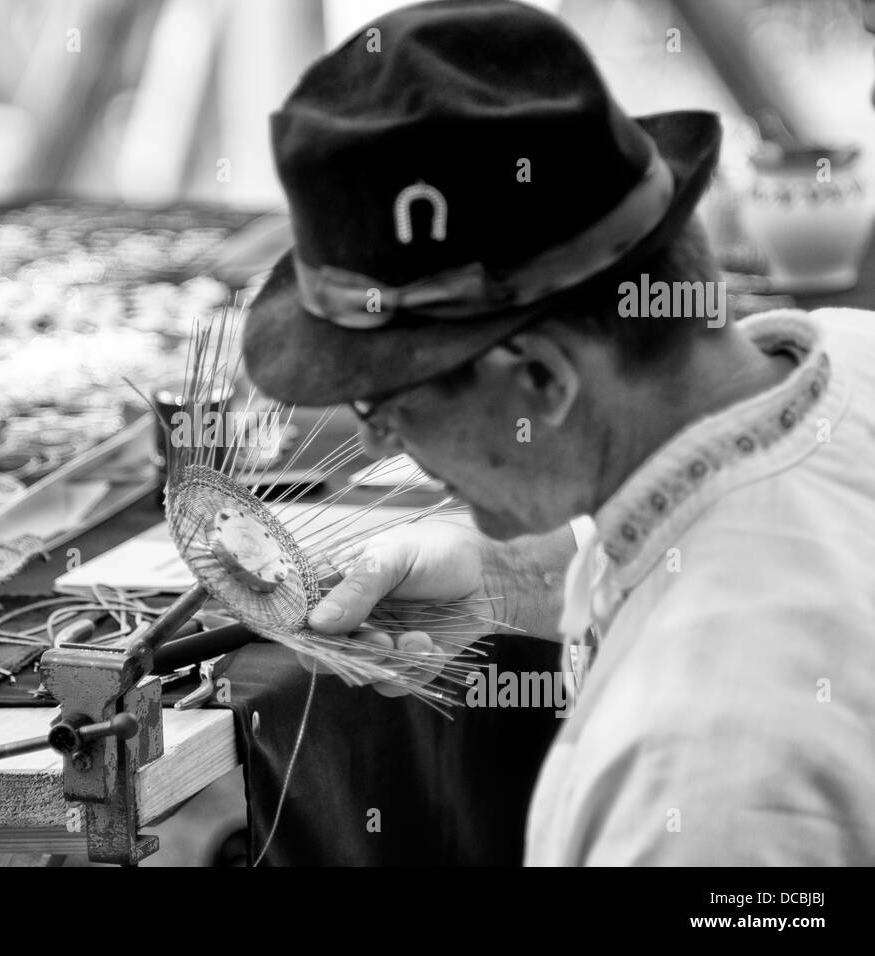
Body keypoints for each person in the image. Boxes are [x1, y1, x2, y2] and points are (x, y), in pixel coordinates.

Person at [242, 0, 875, 864]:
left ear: (541, 376)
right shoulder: (850, 354)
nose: (380, 442)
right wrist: (504, 585)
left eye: (384, 401)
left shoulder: (697, 782)